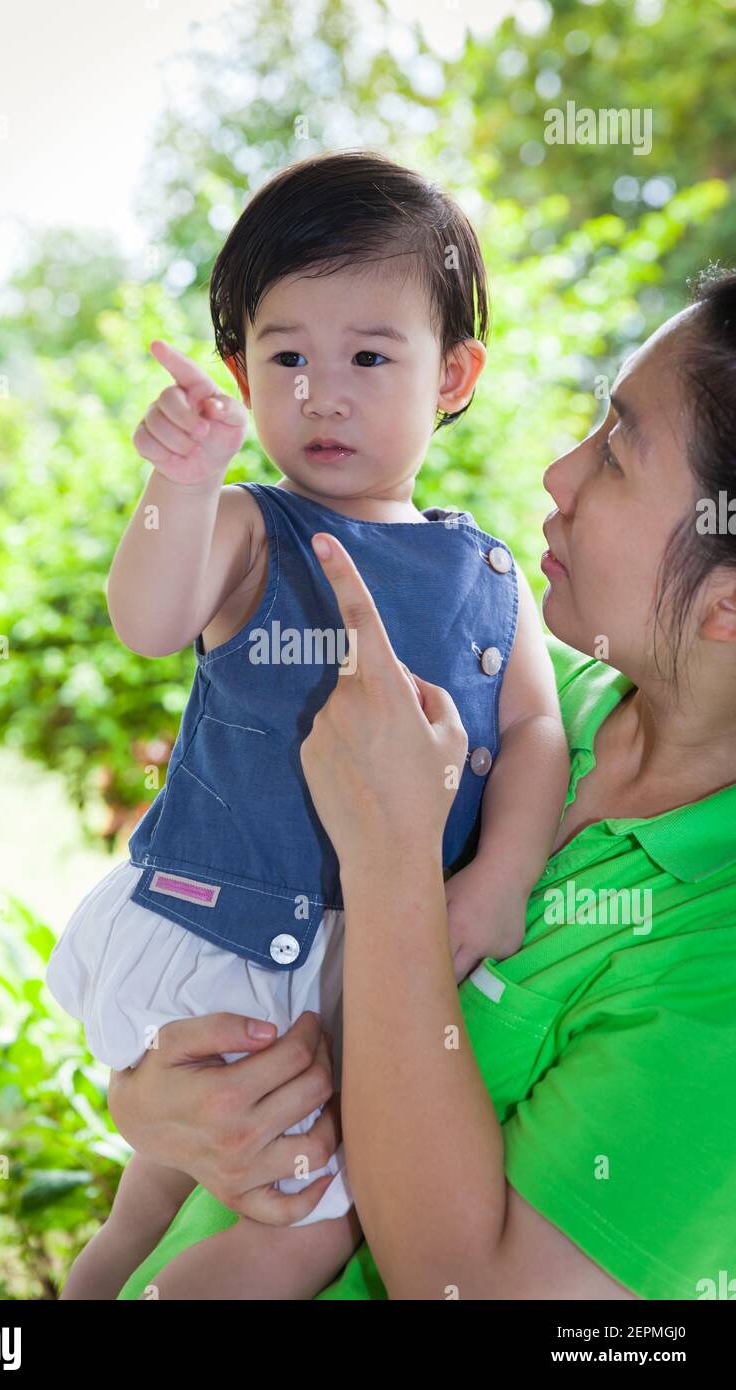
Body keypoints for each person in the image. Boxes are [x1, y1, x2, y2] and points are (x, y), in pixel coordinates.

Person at [110, 264, 736, 1301]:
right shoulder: (524, 705)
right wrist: (157, 1101)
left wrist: (393, 858)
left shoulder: (714, 959)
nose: (557, 473)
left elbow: (469, 1289)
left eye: (617, 452)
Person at [45, 150, 570, 1299]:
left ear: (452, 374)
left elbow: (536, 731)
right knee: (298, 1218)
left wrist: (502, 875)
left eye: (369, 357)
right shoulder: (247, 528)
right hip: (225, 931)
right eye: (286, 358)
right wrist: (182, 483)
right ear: (240, 371)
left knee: (159, 1194)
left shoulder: (488, 574)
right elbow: (148, 620)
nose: (322, 393)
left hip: (356, 959)